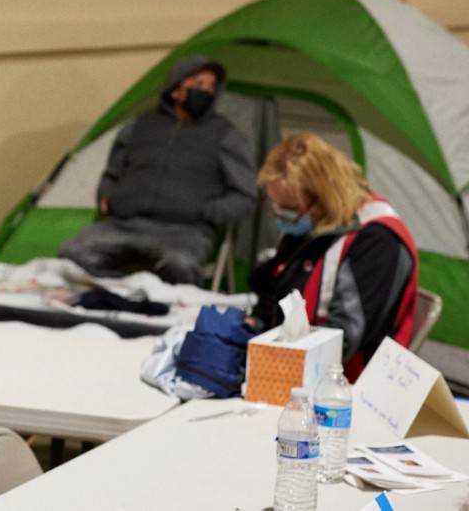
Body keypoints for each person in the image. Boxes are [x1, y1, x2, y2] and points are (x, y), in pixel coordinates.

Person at [59, 56, 258, 285]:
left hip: (183, 233)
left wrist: (205, 211)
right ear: (175, 90)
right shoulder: (139, 126)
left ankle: (140, 295)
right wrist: (107, 196)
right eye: (199, 83)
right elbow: (112, 173)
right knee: (71, 254)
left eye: (212, 87)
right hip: (123, 225)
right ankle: (124, 292)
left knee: (180, 267)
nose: (206, 91)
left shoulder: (226, 135)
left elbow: (245, 195)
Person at [250, 133, 419, 380]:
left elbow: (343, 339)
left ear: (323, 200)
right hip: (292, 368)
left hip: (346, 384)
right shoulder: (316, 226)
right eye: (276, 207)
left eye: (291, 209)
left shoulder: (379, 240)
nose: (282, 217)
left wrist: (270, 362)